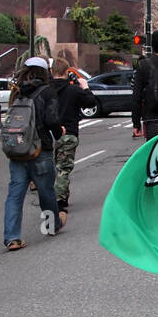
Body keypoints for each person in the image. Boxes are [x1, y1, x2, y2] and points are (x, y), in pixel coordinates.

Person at [2, 58, 64, 251]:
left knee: (15, 194)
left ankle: (12, 237)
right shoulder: (47, 92)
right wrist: (59, 131)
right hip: (39, 149)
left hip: (18, 150)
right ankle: (51, 225)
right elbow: (51, 120)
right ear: (45, 72)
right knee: (46, 191)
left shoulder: (17, 91)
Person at [52, 60, 98, 218]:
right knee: (63, 168)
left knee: (53, 166)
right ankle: (59, 200)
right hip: (69, 132)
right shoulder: (73, 90)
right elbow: (90, 102)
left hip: (48, 133)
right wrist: (85, 87)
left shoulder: (46, 90)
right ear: (66, 72)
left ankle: (56, 196)